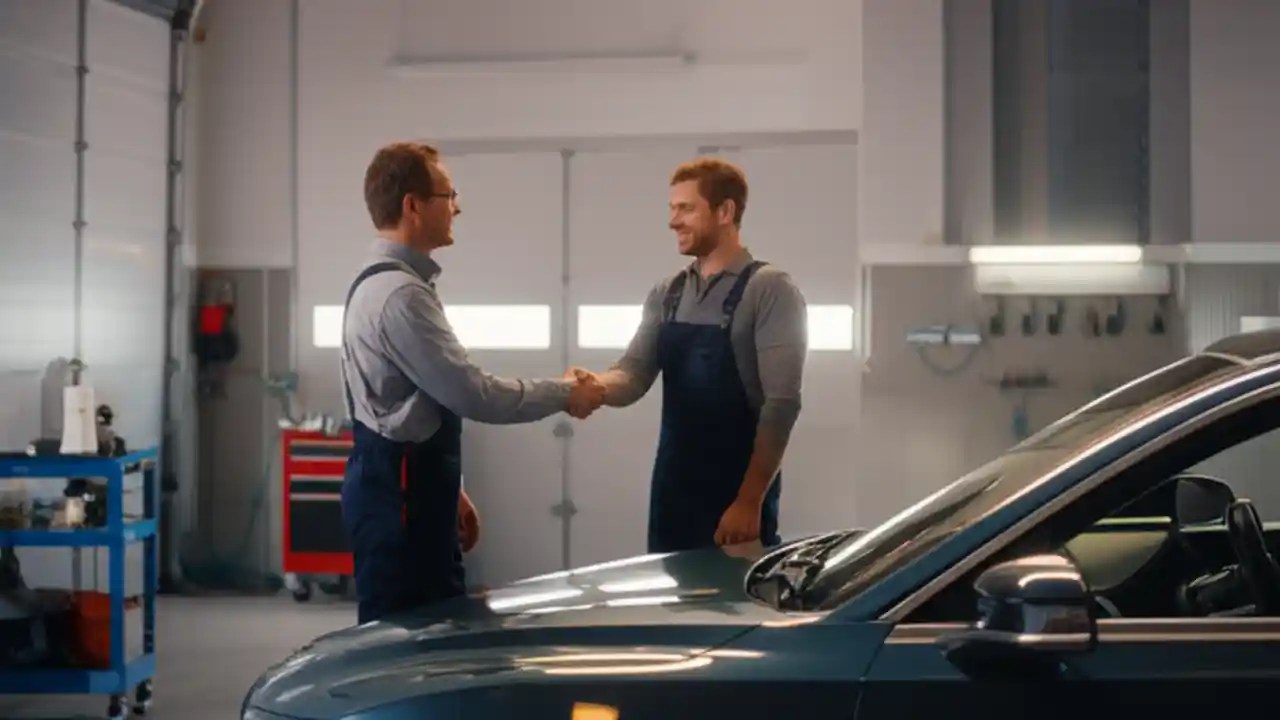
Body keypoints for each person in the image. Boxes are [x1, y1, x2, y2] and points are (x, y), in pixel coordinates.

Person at [340, 141, 605, 624]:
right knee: (410, 645)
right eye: (448, 194)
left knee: (424, 634)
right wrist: (566, 393)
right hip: (402, 503)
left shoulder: (390, 283)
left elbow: (411, 403)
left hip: (405, 487)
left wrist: (452, 489)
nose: (457, 206)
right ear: (412, 205)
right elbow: (472, 394)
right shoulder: (400, 296)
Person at [569, 157, 808, 553]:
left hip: (735, 500)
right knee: (670, 608)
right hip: (672, 491)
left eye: (686, 208)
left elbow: (781, 405)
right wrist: (595, 386)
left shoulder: (770, 289)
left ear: (725, 212)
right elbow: (633, 372)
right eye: (671, 208)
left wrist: (749, 501)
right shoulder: (669, 292)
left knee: (731, 608)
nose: (673, 221)